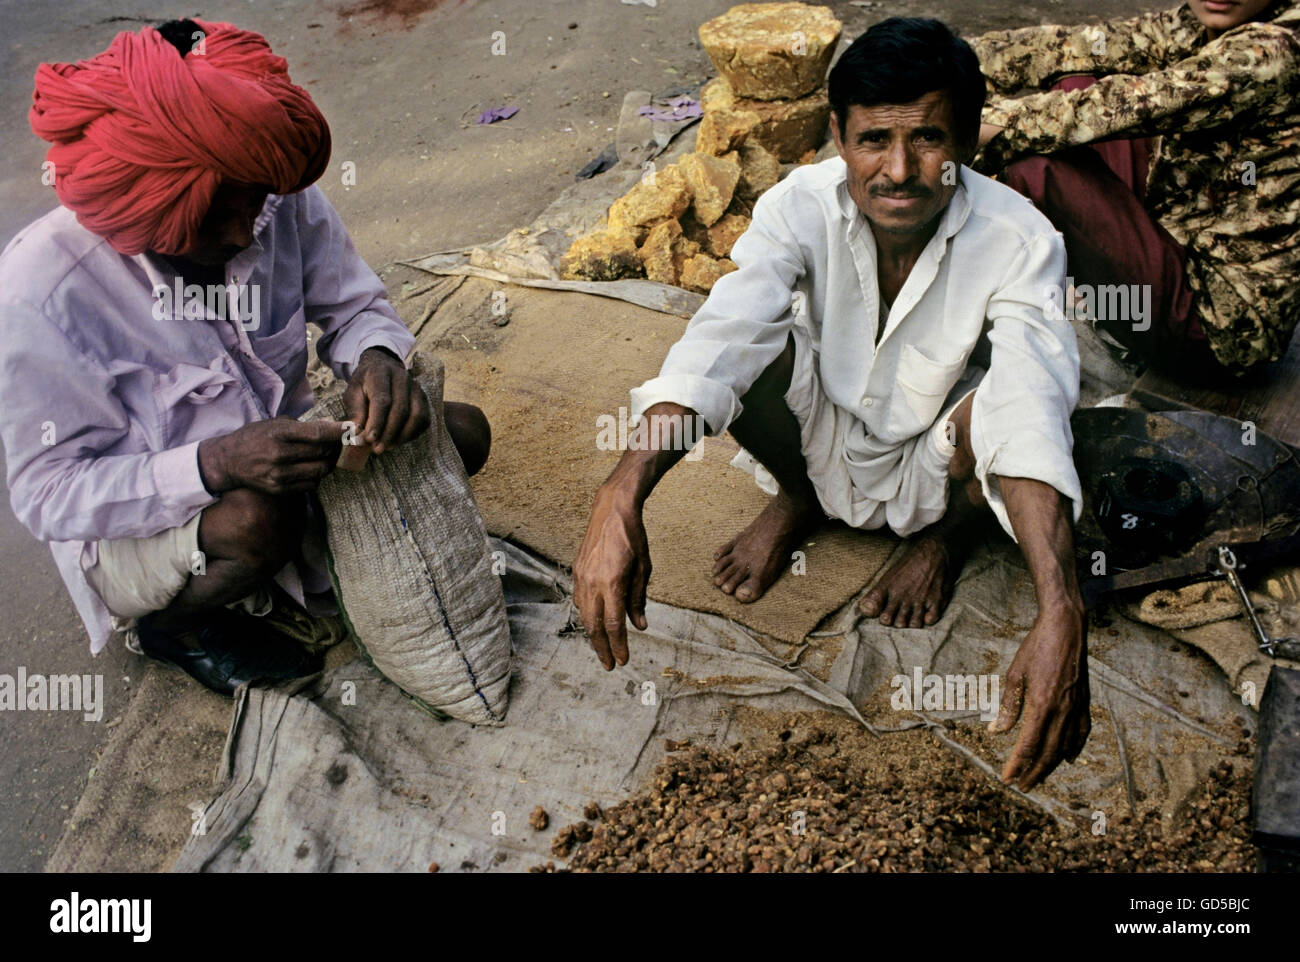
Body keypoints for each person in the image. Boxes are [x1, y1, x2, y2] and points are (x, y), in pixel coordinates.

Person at [574, 18, 1092, 791]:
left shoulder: (1020, 238)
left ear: (970, 145)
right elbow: (726, 336)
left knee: (1019, 416)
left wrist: (1061, 606)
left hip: (936, 449)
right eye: (873, 139)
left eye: (928, 140)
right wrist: (619, 494)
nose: (899, 170)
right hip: (827, 425)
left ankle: (944, 543)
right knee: (743, 345)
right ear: (838, 140)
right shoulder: (798, 205)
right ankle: (800, 496)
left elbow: (1027, 402)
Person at [0, 19, 490, 695]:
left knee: (456, 435)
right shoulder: (42, 292)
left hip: (279, 466)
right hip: (143, 522)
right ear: (149, 209)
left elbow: (353, 307)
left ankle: (292, 564)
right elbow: (48, 495)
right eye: (213, 216)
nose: (243, 231)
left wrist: (379, 360)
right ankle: (177, 627)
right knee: (256, 523)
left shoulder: (266, 190)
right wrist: (215, 464)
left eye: (252, 202)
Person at [972, 0, 1300, 375]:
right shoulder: (1197, 21)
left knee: (1038, 163)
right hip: (1180, 232)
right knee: (1077, 79)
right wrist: (938, 61)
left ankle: (966, 287)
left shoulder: (1273, 52)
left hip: (1216, 329)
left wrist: (960, 124)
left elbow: (1118, 107)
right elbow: (1079, 45)